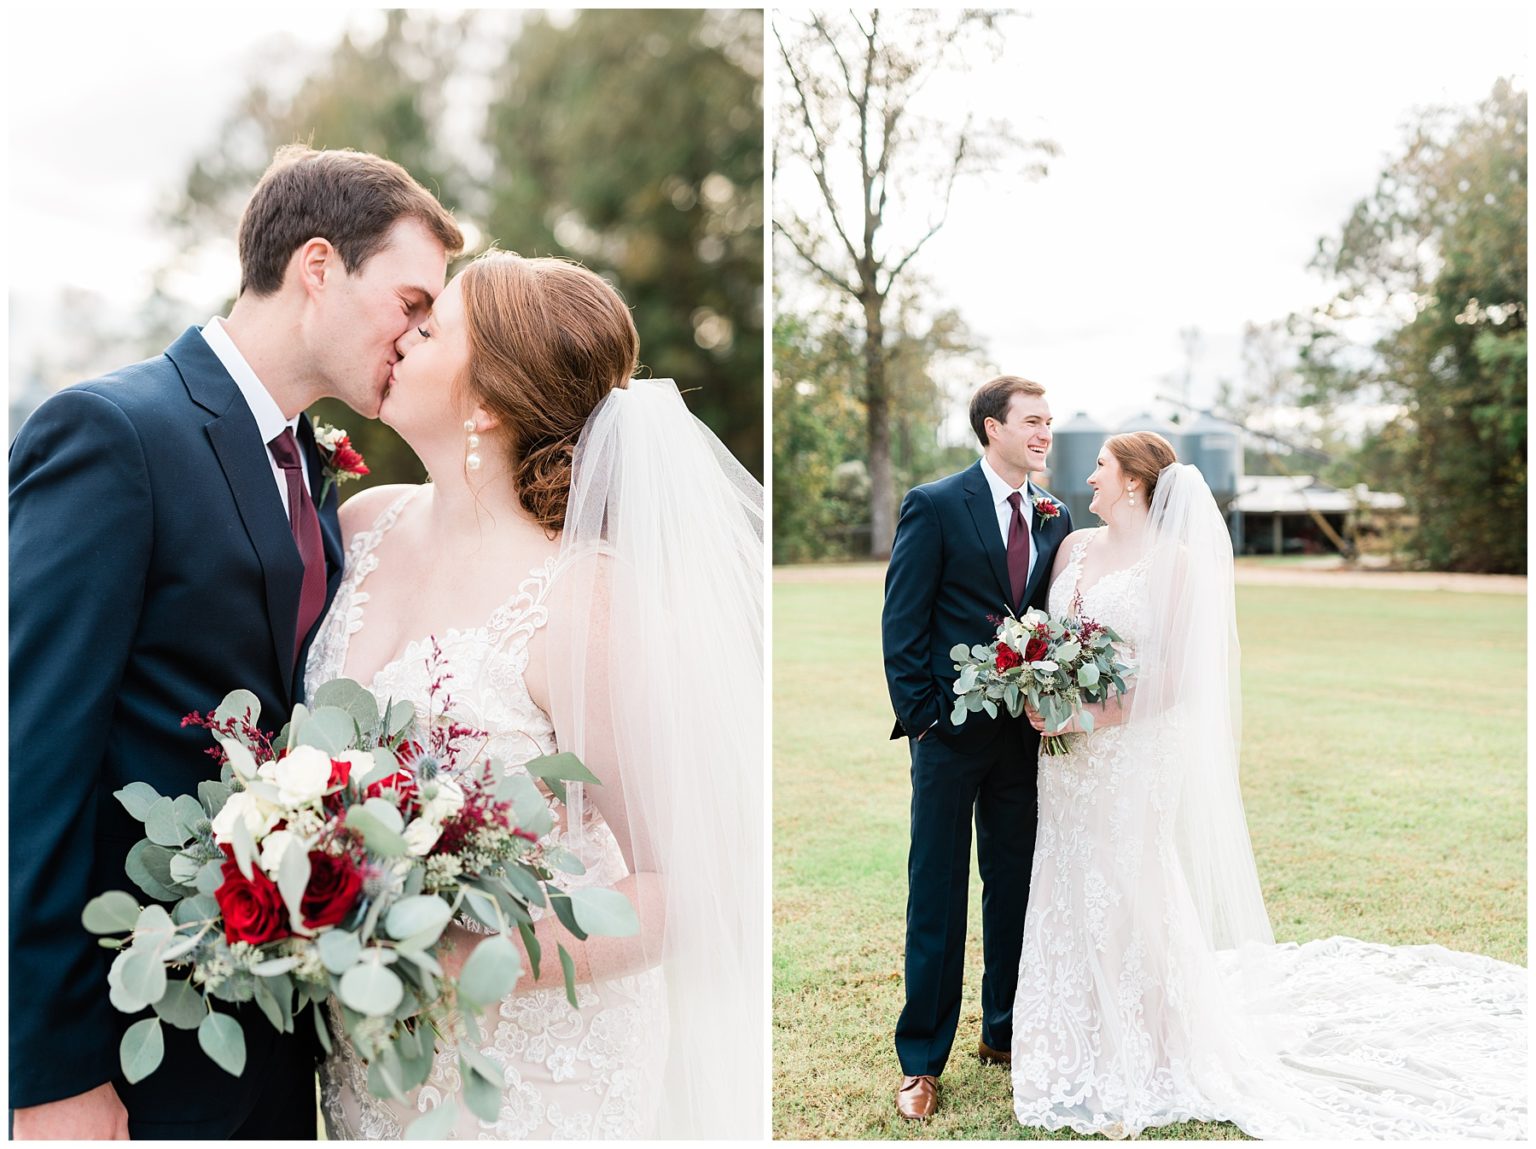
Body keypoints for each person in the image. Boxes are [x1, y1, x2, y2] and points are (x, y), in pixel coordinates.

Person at [8, 145, 463, 1139]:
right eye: (412, 301)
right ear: (316, 269)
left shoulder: (311, 465)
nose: (421, 334)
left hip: (273, 1030)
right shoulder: (111, 433)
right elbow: (28, 768)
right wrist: (46, 1076)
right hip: (130, 1036)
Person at [307, 251, 764, 1139]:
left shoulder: (586, 600)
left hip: (533, 1076)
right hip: (366, 1059)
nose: (403, 333)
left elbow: (688, 883)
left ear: (485, 404)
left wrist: (475, 955)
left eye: (431, 326)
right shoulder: (363, 526)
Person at [1010, 431, 1526, 1139]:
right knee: (1071, 876)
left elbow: (1180, 678)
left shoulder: (1177, 563)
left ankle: (1159, 1041)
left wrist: (1090, 713)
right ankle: (1075, 1034)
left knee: (1135, 885)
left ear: (1133, 479)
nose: (1089, 476)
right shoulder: (1071, 550)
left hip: (1131, 752)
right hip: (1066, 759)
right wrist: (1042, 693)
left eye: (1101, 465)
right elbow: (1051, 640)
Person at [880, 376, 1074, 1120]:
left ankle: (1005, 1030)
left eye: (1049, 422)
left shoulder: (1054, 518)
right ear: (991, 427)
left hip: (1024, 742)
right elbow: (903, 618)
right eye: (1032, 421)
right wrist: (923, 718)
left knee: (1015, 885)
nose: (1044, 434)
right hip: (947, 737)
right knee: (936, 890)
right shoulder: (934, 505)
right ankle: (921, 1060)